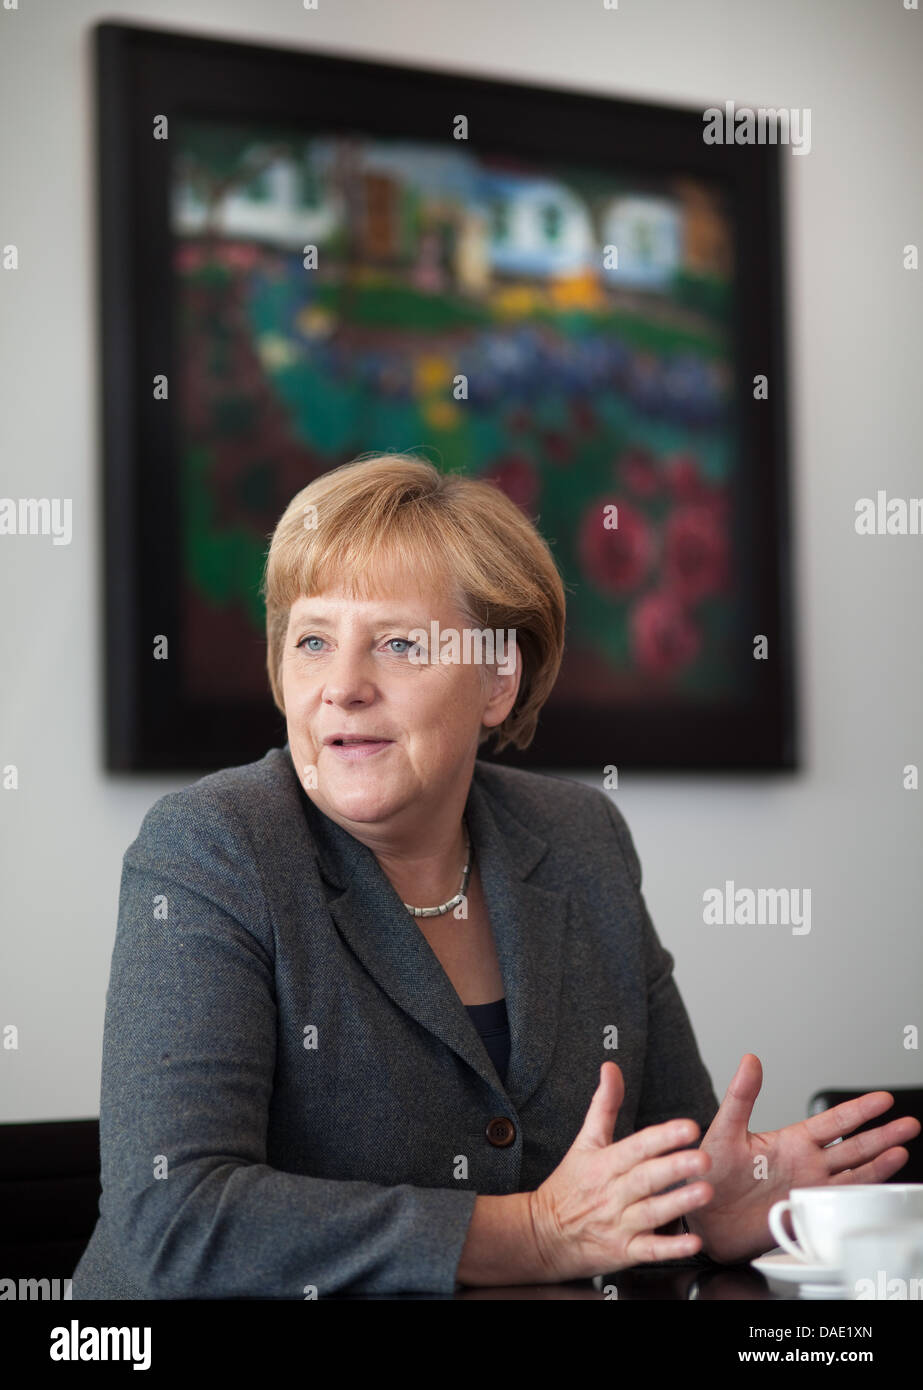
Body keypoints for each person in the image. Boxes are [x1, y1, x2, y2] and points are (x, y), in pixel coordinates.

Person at [72, 453, 919, 1298]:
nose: (342, 687)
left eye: (398, 644)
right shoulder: (212, 849)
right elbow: (174, 1220)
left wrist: (705, 1209)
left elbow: (648, 1169)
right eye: (312, 641)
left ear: (496, 679)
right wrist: (535, 1233)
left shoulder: (579, 839)